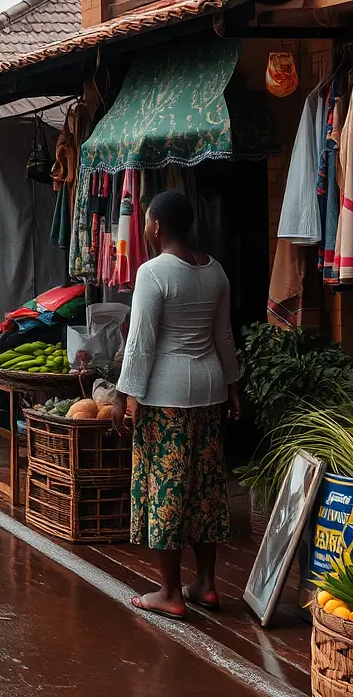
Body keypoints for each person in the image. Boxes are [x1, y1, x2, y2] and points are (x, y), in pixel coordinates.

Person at [110, 191, 240, 621]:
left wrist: (121, 396)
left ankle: (169, 592)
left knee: (166, 486)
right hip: (209, 391)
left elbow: (141, 344)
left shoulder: (153, 273)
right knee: (204, 489)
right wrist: (233, 385)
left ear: (157, 226)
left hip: (165, 397)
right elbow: (224, 336)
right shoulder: (215, 270)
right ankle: (205, 583)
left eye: (146, 221)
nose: (145, 228)